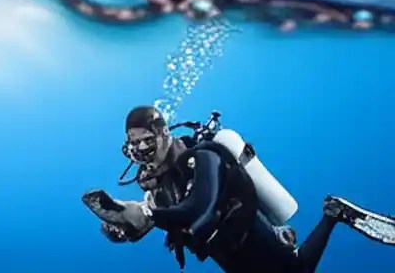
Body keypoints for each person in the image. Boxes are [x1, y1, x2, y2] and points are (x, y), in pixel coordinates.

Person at [85, 105, 395, 273]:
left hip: (246, 236)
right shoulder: (159, 187)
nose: (140, 151)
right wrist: (118, 222)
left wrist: (155, 213)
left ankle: (334, 214)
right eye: (133, 145)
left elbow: (199, 208)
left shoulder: (203, 156)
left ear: (164, 133)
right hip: (225, 252)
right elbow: (144, 217)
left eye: (146, 142)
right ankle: (332, 215)